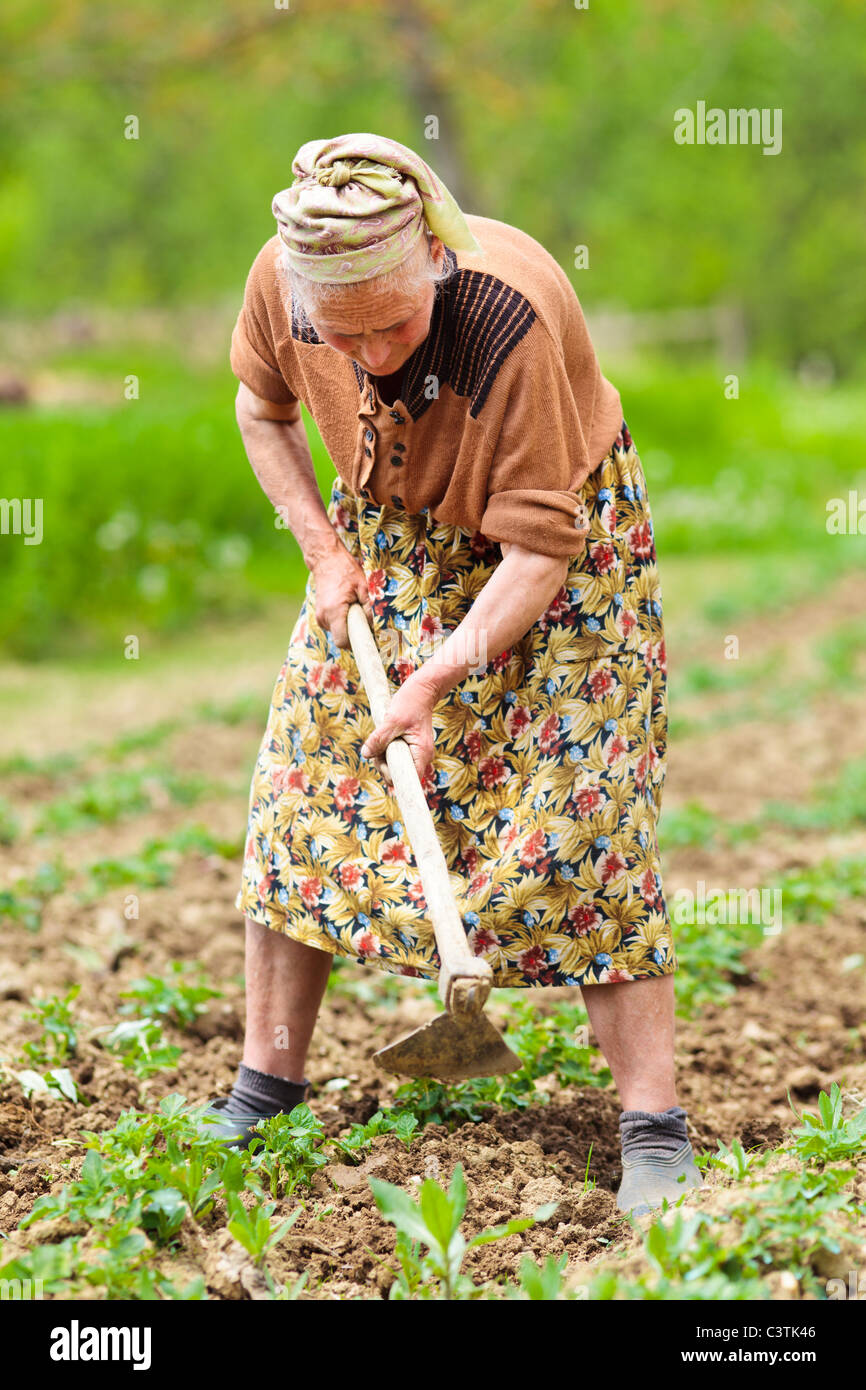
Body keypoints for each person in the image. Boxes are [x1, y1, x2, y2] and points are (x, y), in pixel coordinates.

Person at [202, 132, 702, 1216]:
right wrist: (324, 551)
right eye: (345, 335)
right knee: (306, 793)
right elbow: (260, 410)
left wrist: (429, 682)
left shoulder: (507, 318)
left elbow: (534, 552)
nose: (372, 353)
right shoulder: (283, 285)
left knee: (585, 822)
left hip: (557, 558)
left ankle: (652, 1128)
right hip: (384, 538)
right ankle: (262, 1087)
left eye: (391, 325)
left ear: (434, 255)